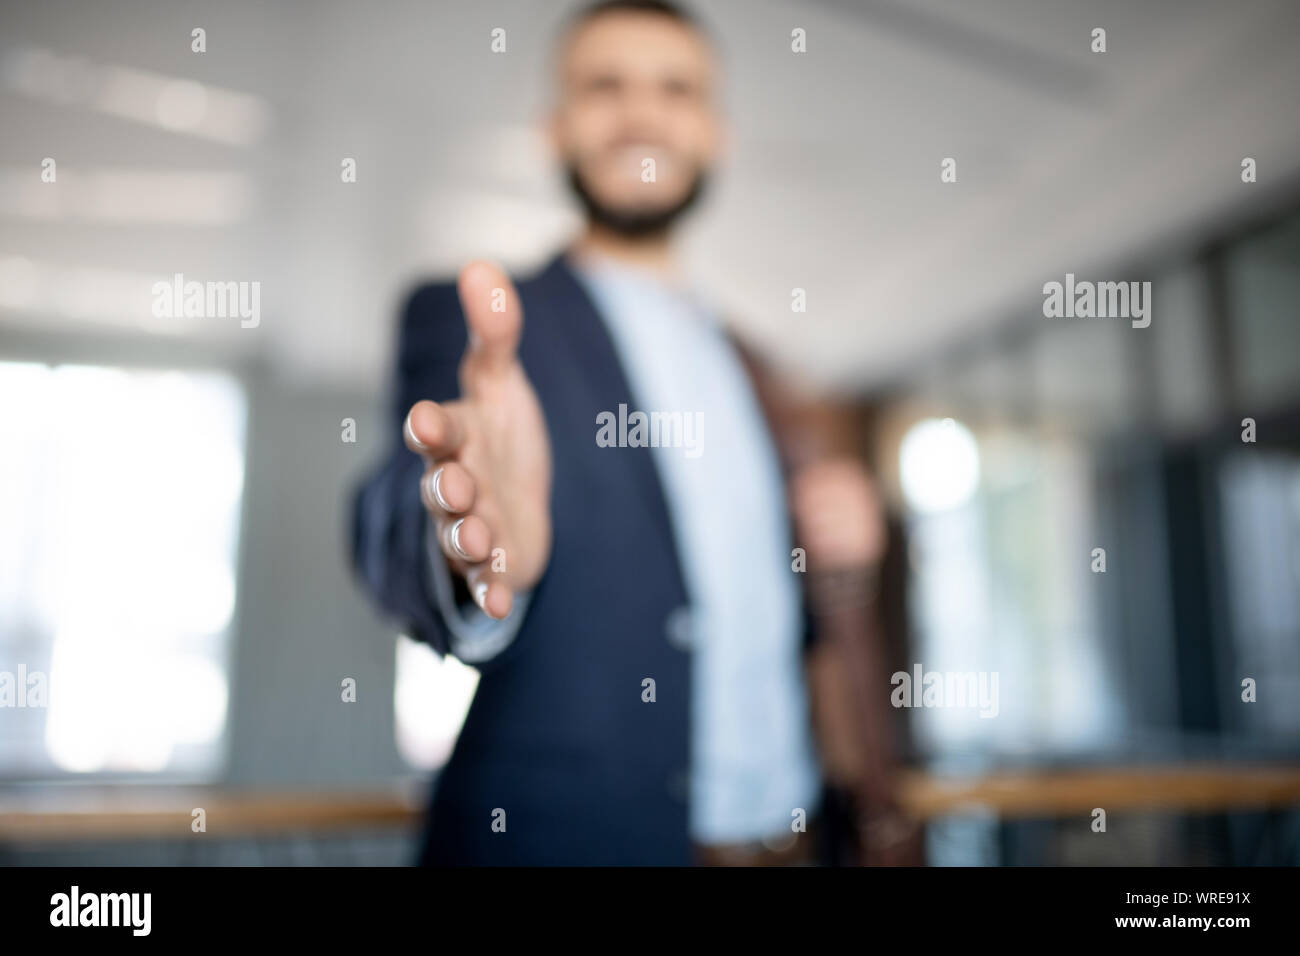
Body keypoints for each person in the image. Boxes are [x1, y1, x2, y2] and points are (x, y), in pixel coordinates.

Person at [352, 0, 911, 865]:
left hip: (795, 840)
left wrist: (840, 550)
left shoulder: (761, 370)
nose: (642, 113)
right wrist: (468, 546)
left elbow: (747, 616)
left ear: (715, 132)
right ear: (555, 128)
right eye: (604, 86)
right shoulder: (479, 321)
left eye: (675, 89)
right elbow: (388, 513)